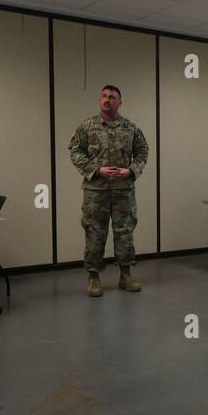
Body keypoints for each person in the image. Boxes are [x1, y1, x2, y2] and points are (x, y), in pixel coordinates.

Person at [69, 85, 149, 297]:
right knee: (94, 232)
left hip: (123, 190)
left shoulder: (131, 128)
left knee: (125, 232)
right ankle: (93, 278)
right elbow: (75, 152)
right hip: (96, 191)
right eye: (104, 96)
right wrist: (97, 170)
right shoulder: (87, 127)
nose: (106, 100)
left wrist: (130, 171)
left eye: (112, 97)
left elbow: (143, 151)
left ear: (119, 102)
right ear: (100, 100)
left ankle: (126, 276)